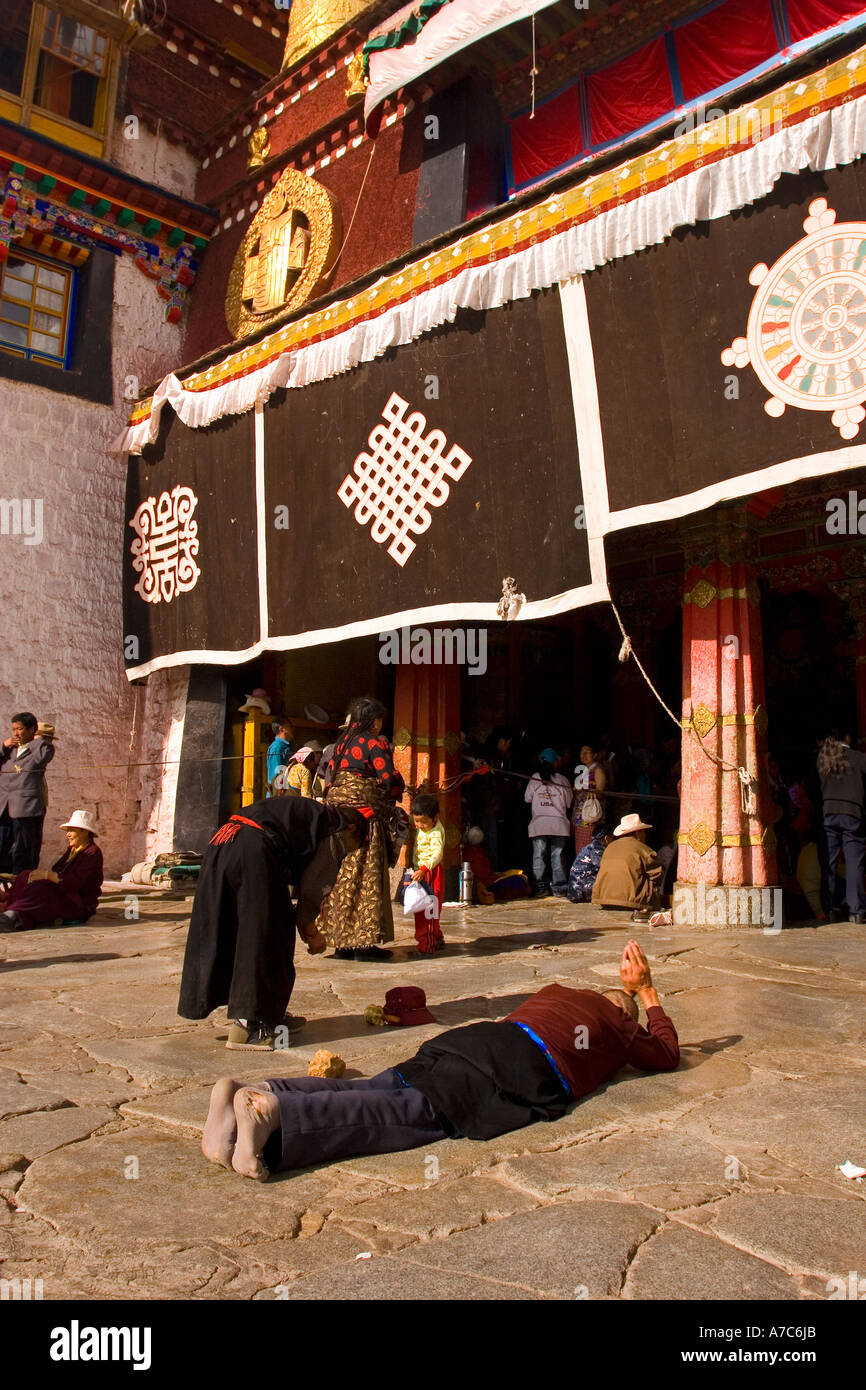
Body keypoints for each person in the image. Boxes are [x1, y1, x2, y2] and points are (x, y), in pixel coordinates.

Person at [201, 940, 678, 1180]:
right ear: (623, 1013)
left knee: (384, 1086)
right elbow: (666, 1054)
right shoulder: (617, 1024)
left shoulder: (556, 993)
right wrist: (647, 994)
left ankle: (259, 1092)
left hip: (473, 1041)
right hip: (510, 1068)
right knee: (406, 1114)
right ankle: (273, 1113)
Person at [178, 796, 370, 1050]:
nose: (345, 855)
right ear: (352, 829)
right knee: (266, 935)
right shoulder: (334, 827)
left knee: (226, 926)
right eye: (350, 848)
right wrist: (310, 930)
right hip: (253, 849)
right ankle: (251, 1027)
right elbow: (314, 884)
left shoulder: (310, 814)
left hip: (222, 842)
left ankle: (268, 1013)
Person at [316, 696, 405, 963]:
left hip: (338, 821)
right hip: (364, 821)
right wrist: (395, 795)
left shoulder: (340, 744)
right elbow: (387, 779)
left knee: (340, 878)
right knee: (366, 876)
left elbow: (331, 777)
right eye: (378, 719)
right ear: (372, 721)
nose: (379, 724)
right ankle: (364, 944)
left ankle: (342, 943)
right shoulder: (373, 743)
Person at [0, 810, 102, 931]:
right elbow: (58, 870)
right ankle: (11, 905)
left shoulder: (92, 853)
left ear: (85, 831)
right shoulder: (73, 849)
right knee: (25, 875)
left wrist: (48, 876)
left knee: (42, 890)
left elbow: (75, 883)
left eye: (71, 831)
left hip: (79, 904)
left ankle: (13, 914)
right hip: (65, 893)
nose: (68, 835)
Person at [817, 733, 866, 923]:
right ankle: (857, 911)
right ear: (848, 738)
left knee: (829, 861)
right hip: (852, 813)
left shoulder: (823, 758)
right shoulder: (860, 759)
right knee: (855, 862)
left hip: (828, 813)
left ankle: (830, 908)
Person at [0, 712, 55, 874]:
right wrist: (4, 746)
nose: (16, 733)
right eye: (14, 729)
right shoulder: (9, 750)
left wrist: (34, 741)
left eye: (20, 729)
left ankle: (21, 885)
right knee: (2, 847)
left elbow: (43, 758)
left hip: (25, 808)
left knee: (23, 850)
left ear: (32, 730)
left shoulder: (41, 748)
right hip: (5, 807)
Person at [525, 748, 573, 898]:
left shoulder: (535, 778)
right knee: (557, 856)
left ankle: (540, 887)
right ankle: (559, 888)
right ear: (556, 763)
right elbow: (569, 803)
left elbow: (527, 798)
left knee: (538, 856)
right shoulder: (563, 780)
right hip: (558, 825)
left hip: (539, 824)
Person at [592, 813, 662, 913]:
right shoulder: (644, 850)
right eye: (644, 832)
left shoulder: (609, 847)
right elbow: (657, 876)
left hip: (604, 898)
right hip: (632, 901)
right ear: (638, 833)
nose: (645, 835)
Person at [409, 792, 446, 955]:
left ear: (435, 818)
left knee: (429, 909)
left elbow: (437, 854)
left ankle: (427, 943)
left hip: (430, 872)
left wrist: (424, 869)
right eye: (416, 821)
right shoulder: (423, 827)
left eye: (423, 822)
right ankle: (436, 937)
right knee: (421, 908)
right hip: (420, 872)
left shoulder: (436, 832)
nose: (419, 825)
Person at [462, 826, 530, 904]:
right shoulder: (472, 852)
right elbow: (482, 874)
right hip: (485, 884)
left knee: (518, 875)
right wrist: (497, 876)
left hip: (489, 879)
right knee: (519, 879)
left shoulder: (474, 850)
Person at [572, 743, 606, 853]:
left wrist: (584, 788)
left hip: (590, 815)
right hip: (580, 816)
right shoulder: (583, 771)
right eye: (582, 752)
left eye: (588, 752)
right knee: (580, 848)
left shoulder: (597, 770)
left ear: (595, 754)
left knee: (588, 848)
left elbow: (600, 793)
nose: (584, 755)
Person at [566, 823, 612, 903]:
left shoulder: (591, 847)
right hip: (581, 892)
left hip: (575, 891)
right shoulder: (597, 850)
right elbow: (605, 869)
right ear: (606, 838)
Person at [265, 721, 293, 790]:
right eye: (290, 726)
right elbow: (276, 774)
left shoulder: (285, 746)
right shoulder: (277, 747)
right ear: (282, 729)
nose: (293, 729)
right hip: (278, 793)